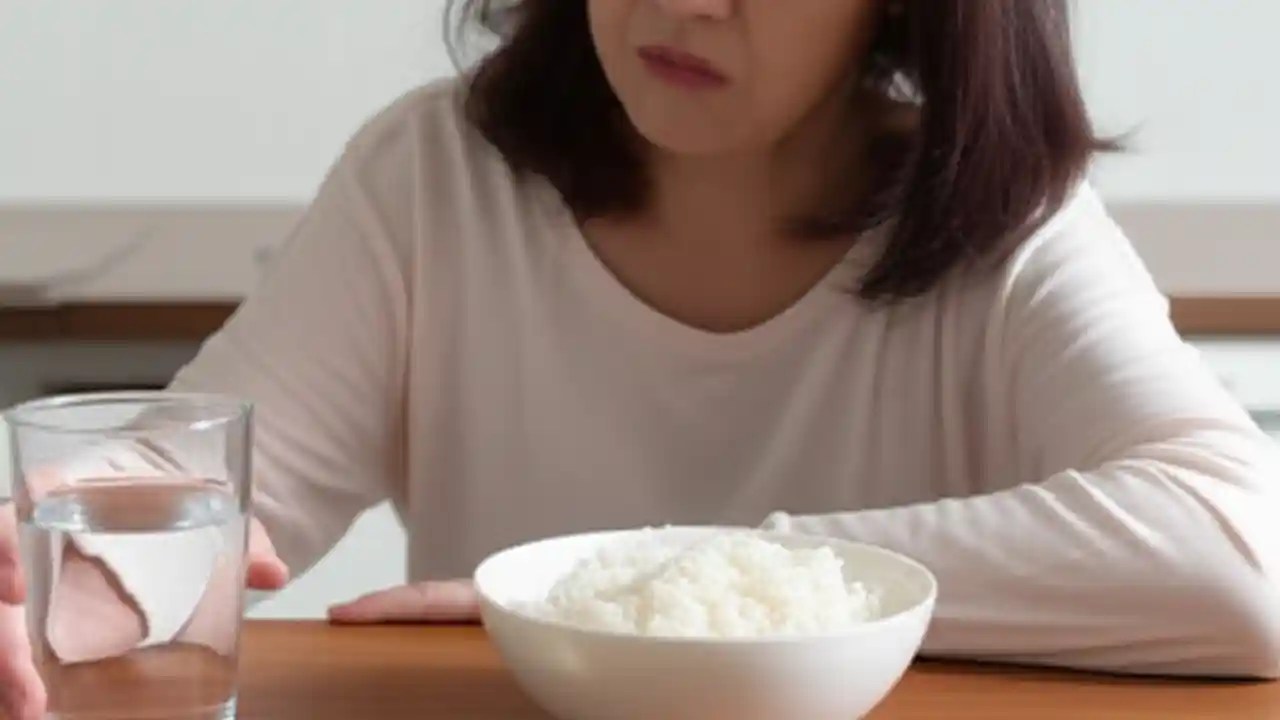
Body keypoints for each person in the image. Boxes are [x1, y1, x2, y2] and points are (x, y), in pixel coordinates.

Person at [5, 0, 1280, 715]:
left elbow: (1241, 561)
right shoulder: (433, 178)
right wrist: (45, 592)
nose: (681, 0)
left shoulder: (1005, 223)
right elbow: (199, 500)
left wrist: (652, 586)